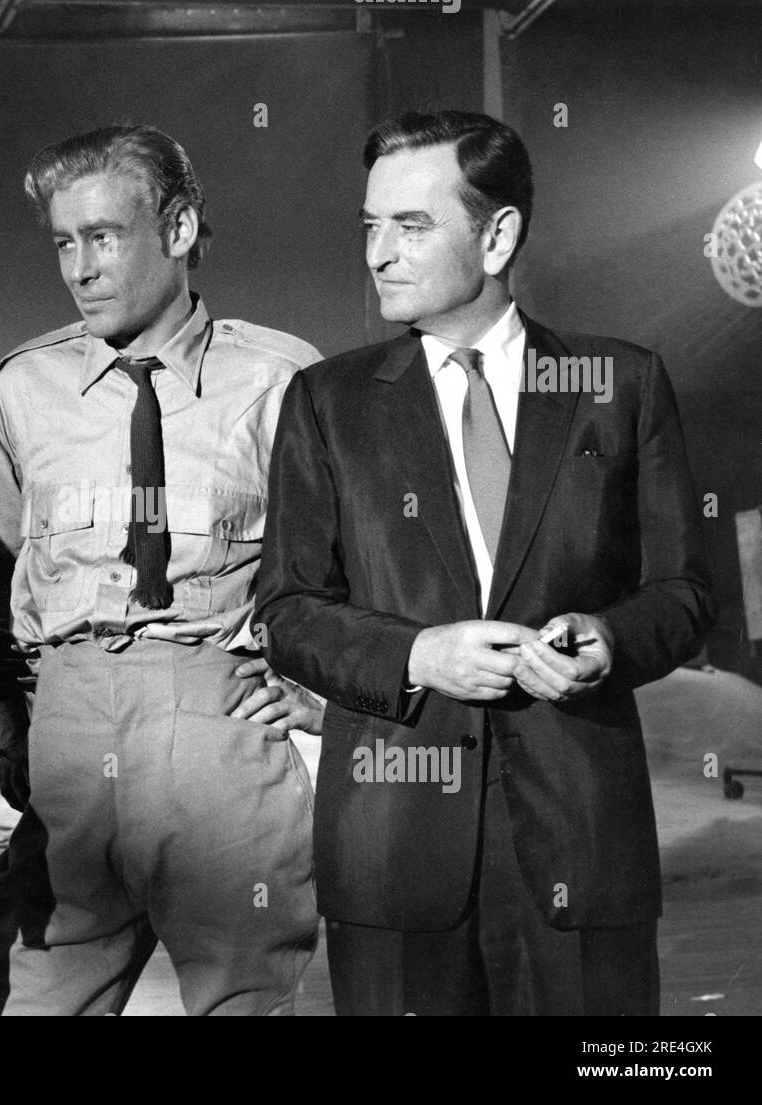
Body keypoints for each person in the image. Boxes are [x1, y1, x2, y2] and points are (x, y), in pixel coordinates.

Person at [255, 110, 715, 1016]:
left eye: (411, 225)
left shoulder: (619, 384)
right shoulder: (328, 402)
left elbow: (688, 593)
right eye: (369, 227)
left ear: (498, 234)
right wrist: (421, 656)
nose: (378, 253)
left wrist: (607, 639)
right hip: (393, 856)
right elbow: (288, 609)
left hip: (581, 843)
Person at [0, 124, 323, 1016]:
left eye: (104, 237)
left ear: (181, 228)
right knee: (37, 990)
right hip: (72, 736)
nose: (79, 268)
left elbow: (348, 571)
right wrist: (12, 720)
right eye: (63, 243)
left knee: (249, 999)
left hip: (222, 731)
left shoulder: (282, 381)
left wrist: (318, 694)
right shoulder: (24, 388)